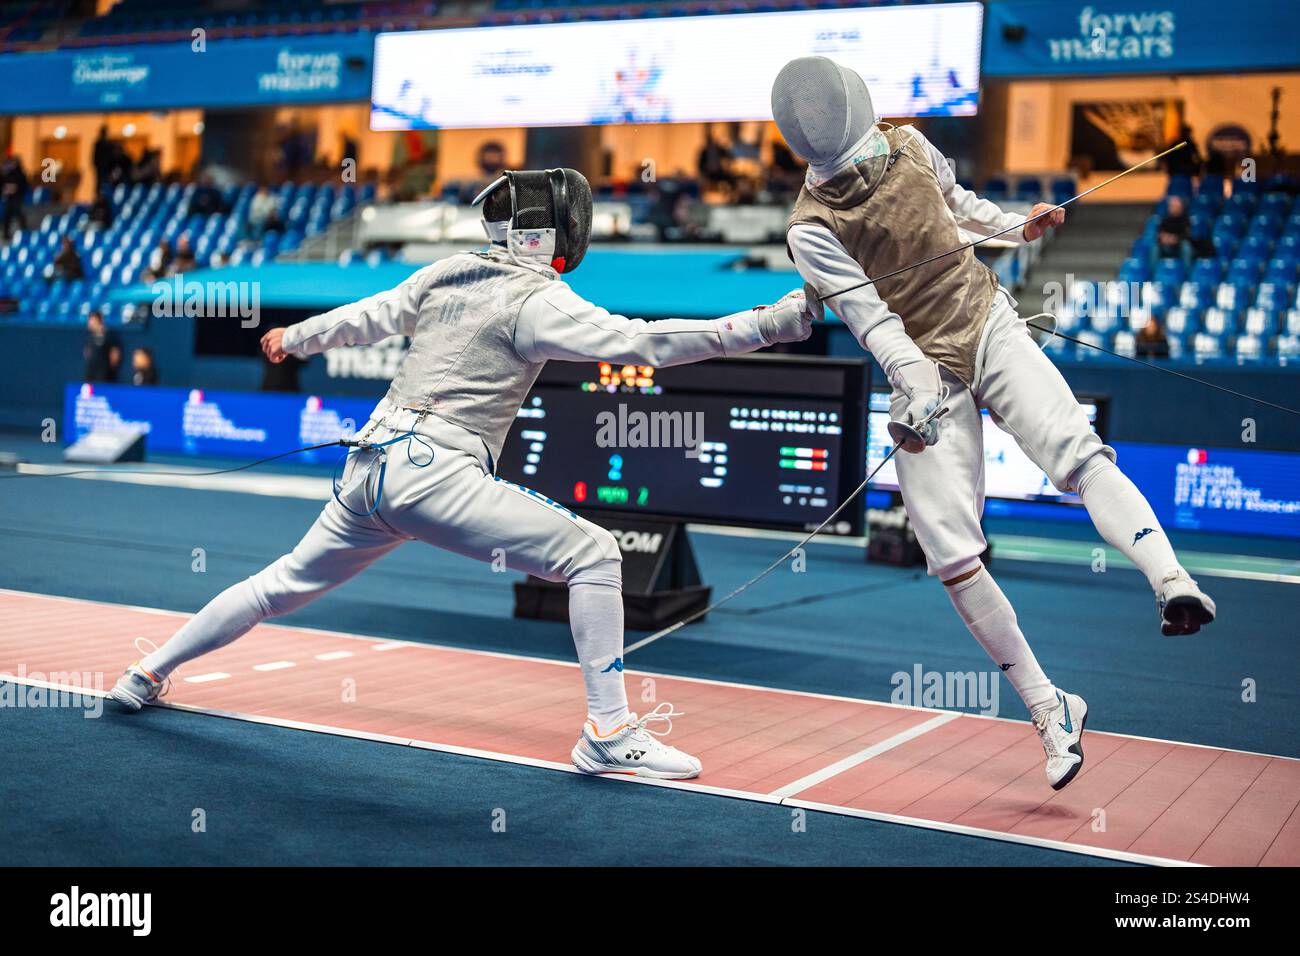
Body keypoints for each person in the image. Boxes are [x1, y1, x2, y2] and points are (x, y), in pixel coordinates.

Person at [109, 167, 817, 781]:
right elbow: (644, 343)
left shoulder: (446, 271)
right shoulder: (537, 299)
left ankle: (146, 674)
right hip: (432, 474)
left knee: (279, 584)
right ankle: (607, 735)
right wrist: (768, 323)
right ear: (550, 231)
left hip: (366, 469)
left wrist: (297, 336)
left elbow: (367, 317)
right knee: (594, 553)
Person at [772, 57, 1216, 792]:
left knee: (1078, 454)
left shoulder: (910, 144)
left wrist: (1017, 226)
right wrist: (913, 392)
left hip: (986, 323)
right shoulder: (810, 229)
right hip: (924, 367)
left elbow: (959, 204)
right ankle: (1050, 707)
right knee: (948, 551)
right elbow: (873, 322)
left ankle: (1170, 580)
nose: (864, 170)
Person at [83, 311, 120, 382]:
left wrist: (111, 370)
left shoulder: (109, 335)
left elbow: (114, 354)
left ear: (98, 320)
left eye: (92, 320)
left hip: (104, 374)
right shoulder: (90, 337)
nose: (90, 323)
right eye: (89, 320)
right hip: (91, 371)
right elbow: (87, 352)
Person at [1, 154, 29, 238]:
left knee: (19, 214)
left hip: (17, 197)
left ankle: (24, 232)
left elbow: (24, 185)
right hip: (9, 198)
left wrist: (16, 189)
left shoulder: (21, 173)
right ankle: (6, 234)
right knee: (7, 216)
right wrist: (5, 190)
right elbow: (3, 182)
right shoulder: (8, 173)